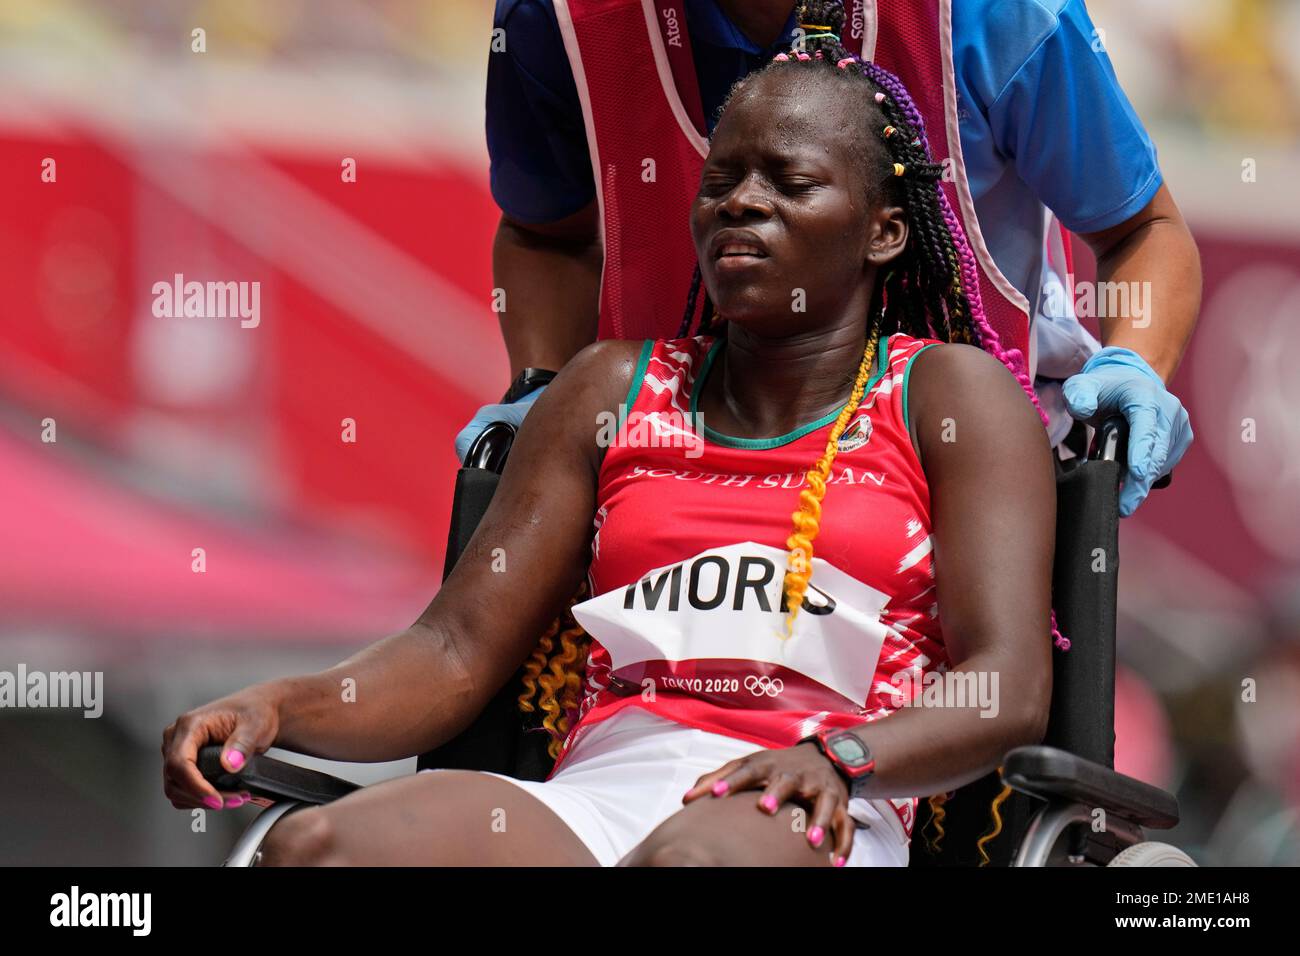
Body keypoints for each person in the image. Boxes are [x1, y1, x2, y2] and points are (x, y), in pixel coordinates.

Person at [162, 50, 1056, 867]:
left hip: (812, 801)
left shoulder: (950, 396)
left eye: (790, 181)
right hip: (602, 793)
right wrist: (281, 706)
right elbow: (453, 650)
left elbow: (1005, 685)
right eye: (721, 182)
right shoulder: (607, 389)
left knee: (688, 865)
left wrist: (845, 756)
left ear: (884, 233)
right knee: (316, 846)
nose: (741, 203)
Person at [464, 0, 1198, 516]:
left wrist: (1134, 364)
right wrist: (543, 385)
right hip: (655, 489)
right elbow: (545, 235)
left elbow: (1141, 229)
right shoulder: (555, 19)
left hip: (951, 494)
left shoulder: (996, 14)